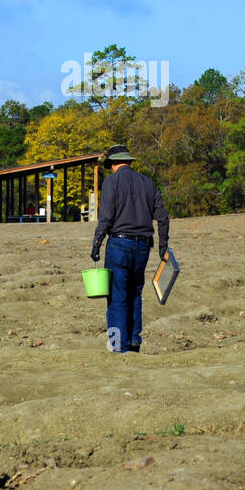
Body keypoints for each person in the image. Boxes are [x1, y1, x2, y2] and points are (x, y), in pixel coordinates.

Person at [91, 144, 169, 354]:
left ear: (114, 164)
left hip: (119, 244)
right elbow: (162, 217)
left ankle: (118, 345)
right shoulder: (148, 182)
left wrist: (97, 242)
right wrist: (163, 247)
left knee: (117, 296)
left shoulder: (111, 181)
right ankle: (134, 340)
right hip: (144, 246)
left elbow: (106, 216)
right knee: (135, 292)